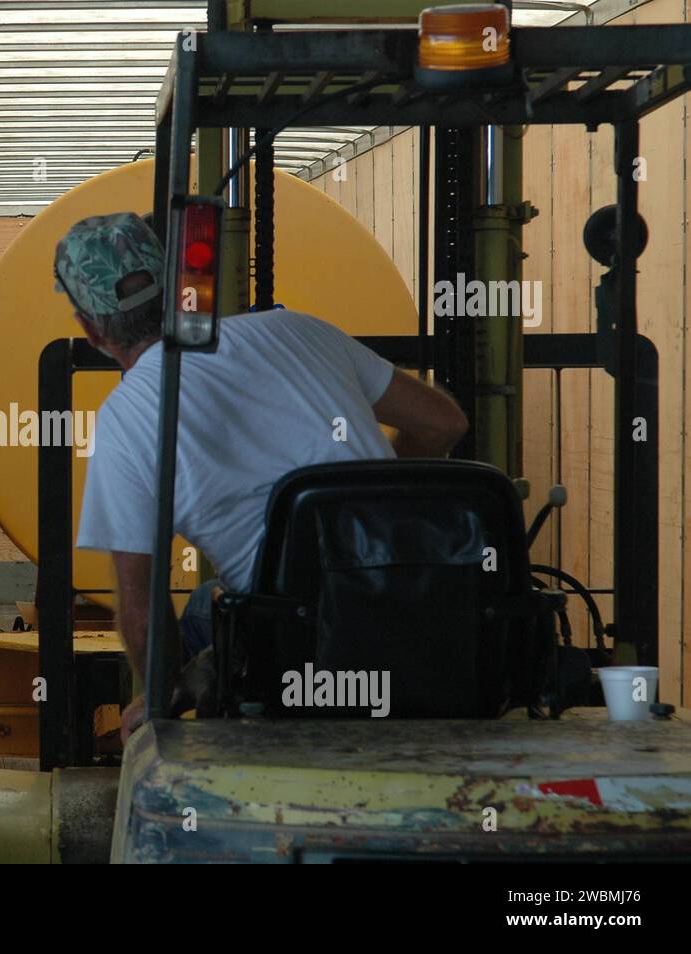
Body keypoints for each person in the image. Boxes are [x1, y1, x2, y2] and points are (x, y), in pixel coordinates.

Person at [55, 212, 468, 739]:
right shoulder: (299, 329)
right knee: (210, 604)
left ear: (91, 328)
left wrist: (161, 695)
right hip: (428, 604)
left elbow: (142, 608)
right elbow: (443, 423)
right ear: (180, 287)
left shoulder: (125, 418)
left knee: (209, 609)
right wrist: (375, 506)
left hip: (307, 653)